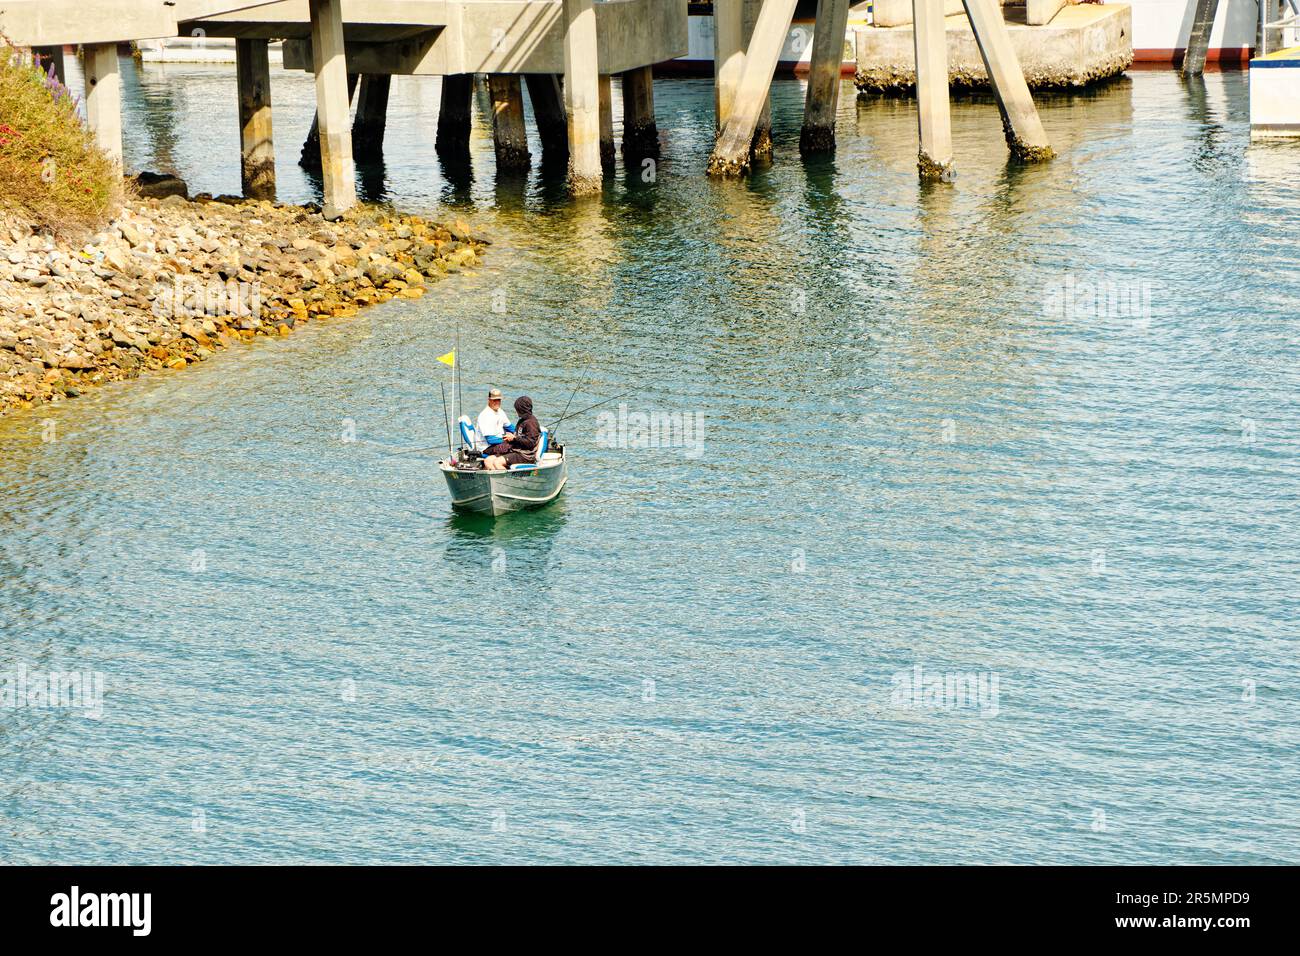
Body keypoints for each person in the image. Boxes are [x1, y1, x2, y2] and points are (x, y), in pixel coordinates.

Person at [483, 396, 540, 470]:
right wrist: (511, 438)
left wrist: (514, 438)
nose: (516, 411)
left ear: (522, 409)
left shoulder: (531, 423)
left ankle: (506, 480)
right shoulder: (522, 420)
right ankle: (497, 480)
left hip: (525, 455)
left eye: (517, 409)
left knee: (497, 462)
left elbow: (531, 443)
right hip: (516, 450)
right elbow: (518, 436)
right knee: (488, 460)